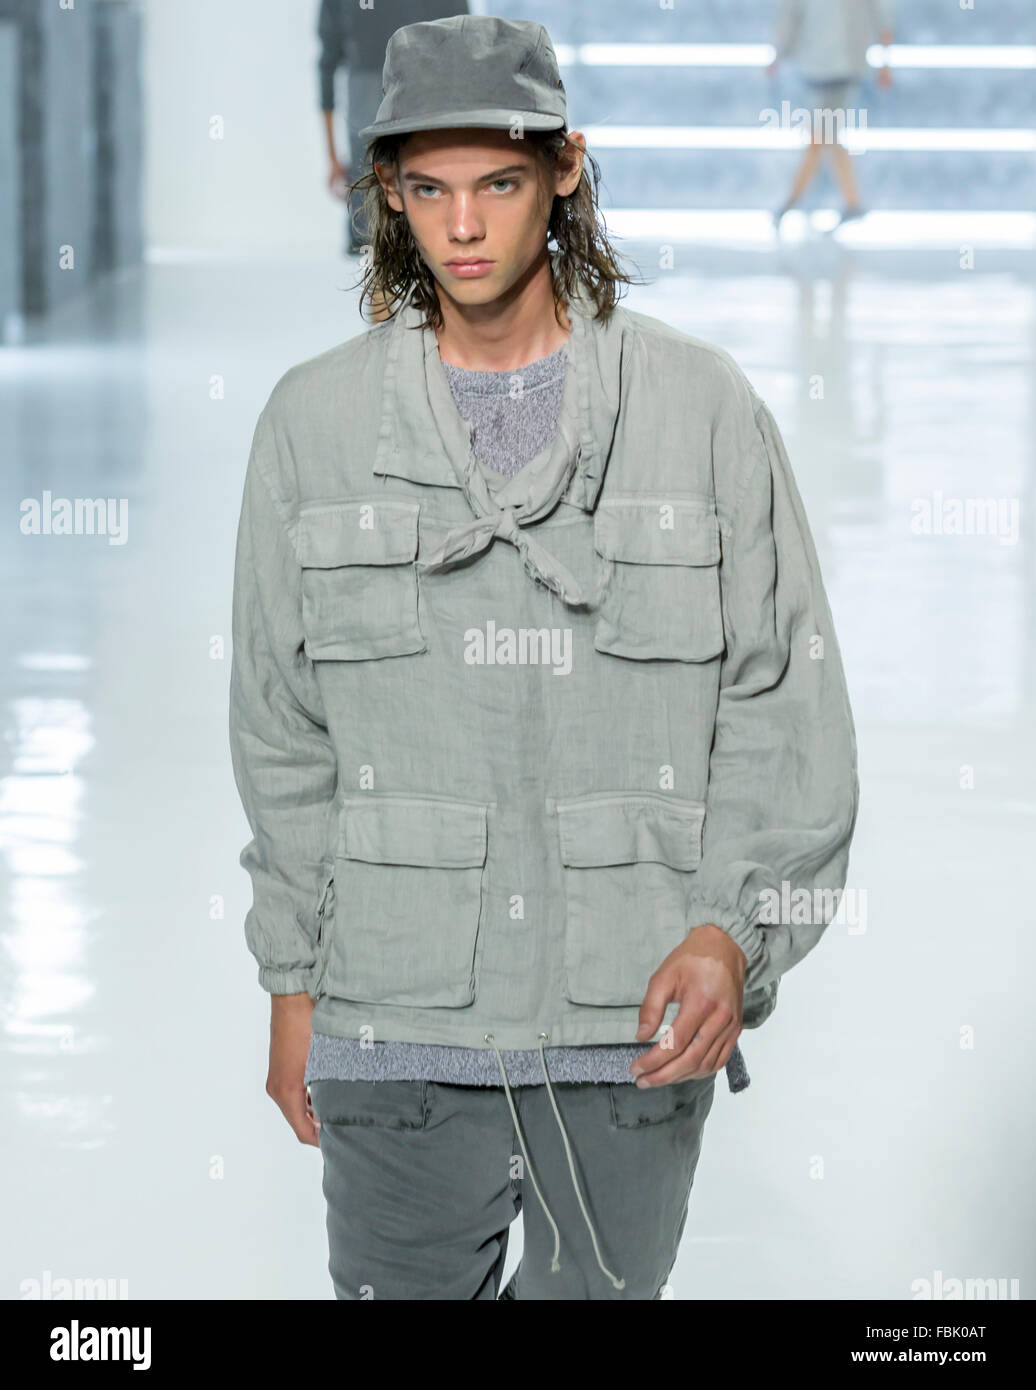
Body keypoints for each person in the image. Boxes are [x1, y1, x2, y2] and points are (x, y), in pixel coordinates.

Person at [230, 14, 860, 1300]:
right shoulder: (315, 422)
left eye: (498, 184)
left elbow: (784, 701)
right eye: (429, 190)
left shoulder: (700, 410)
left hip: (625, 1017)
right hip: (391, 1014)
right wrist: (292, 980)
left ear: (564, 169)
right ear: (391, 196)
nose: (463, 228)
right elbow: (282, 728)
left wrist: (733, 935)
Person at [317, 0, 469, 256]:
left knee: (373, 243)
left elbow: (327, 64)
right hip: (424, 108)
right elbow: (466, 50)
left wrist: (332, 157)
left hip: (398, 113)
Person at [768, 0, 895, 230]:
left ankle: (792, 202)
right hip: (819, 64)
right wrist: (778, 54)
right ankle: (851, 202)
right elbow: (791, 14)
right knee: (827, 137)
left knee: (821, 137)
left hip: (843, 65)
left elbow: (881, 15)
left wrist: (885, 62)